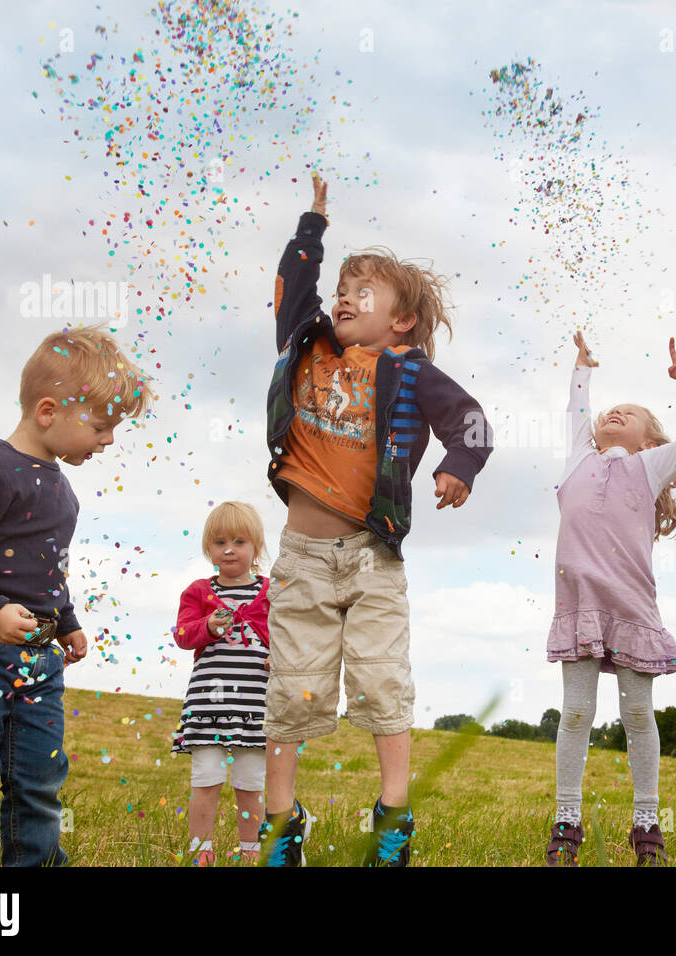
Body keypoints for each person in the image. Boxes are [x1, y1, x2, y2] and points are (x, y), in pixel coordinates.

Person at [259, 173, 493, 866]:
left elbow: (473, 423)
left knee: (382, 681)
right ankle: (280, 824)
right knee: (293, 688)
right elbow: (293, 289)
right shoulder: (308, 343)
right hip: (301, 556)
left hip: (373, 557)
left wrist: (460, 466)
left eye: (364, 293)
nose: (343, 299)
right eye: (342, 290)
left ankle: (393, 814)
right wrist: (312, 228)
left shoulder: (409, 371)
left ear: (401, 321)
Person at [0, 323, 152, 866]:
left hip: (39, 657)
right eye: (100, 425)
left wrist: (64, 620)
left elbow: (50, 572)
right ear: (48, 411)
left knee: (39, 781)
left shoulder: (64, 493)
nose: (108, 439)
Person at [545, 329, 676, 866]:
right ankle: (566, 821)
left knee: (636, 714)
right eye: (611, 411)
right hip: (578, 607)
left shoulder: (650, 466)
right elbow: (577, 411)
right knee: (575, 713)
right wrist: (582, 370)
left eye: (630, 412)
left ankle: (646, 823)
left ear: (652, 442)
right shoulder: (577, 458)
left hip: (631, 611)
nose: (614, 413)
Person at [172, 501, 272, 865]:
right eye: (219, 542)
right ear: (208, 549)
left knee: (250, 782)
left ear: (255, 547)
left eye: (239, 541)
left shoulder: (270, 593)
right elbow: (183, 635)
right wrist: (207, 627)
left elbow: (286, 635)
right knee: (206, 778)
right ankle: (200, 853)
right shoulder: (199, 592)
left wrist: (280, 656)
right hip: (208, 706)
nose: (228, 549)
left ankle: (251, 852)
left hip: (254, 707)